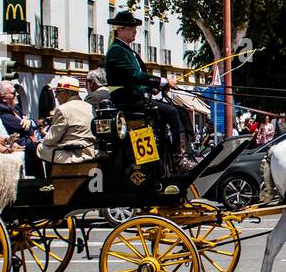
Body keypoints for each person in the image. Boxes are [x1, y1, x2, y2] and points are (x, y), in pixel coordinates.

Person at [103, 10, 182, 158]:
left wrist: (151, 88)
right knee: (172, 112)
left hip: (134, 97)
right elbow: (136, 76)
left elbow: (131, 80)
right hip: (128, 101)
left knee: (179, 111)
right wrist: (163, 81)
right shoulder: (117, 51)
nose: (135, 31)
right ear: (120, 29)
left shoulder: (125, 50)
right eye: (131, 28)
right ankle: (177, 155)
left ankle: (172, 151)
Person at [37, 77, 97, 164]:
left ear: (64, 93)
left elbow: (50, 140)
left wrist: (42, 139)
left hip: (75, 154)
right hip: (91, 150)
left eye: (56, 93)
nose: (55, 96)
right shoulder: (89, 106)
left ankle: (49, 175)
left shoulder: (63, 109)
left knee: (40, 147)